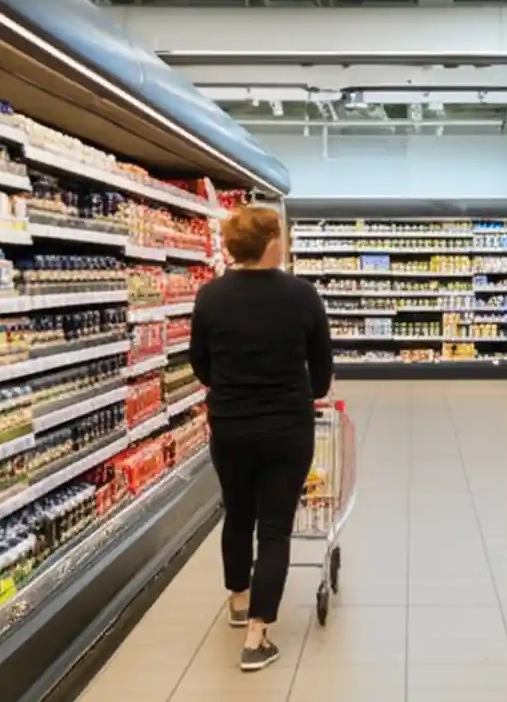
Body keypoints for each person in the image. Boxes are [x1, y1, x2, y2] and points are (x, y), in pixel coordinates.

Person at [189, 205, 333, 672]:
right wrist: (298, 393)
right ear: (273, 241)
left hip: (229, 426)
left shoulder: (210, 297)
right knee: (274, 528)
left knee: (237, 513)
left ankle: (237, 600)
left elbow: (201, 366)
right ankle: (257, 635)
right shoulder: (302, 295)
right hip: (287, 428)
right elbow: (322, 375)